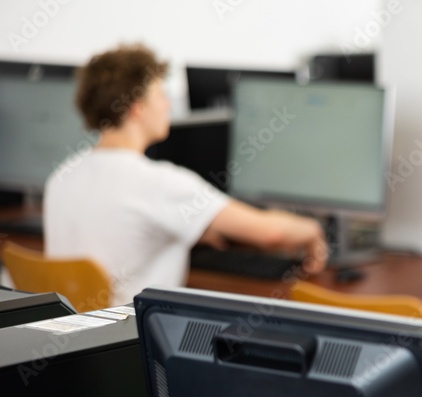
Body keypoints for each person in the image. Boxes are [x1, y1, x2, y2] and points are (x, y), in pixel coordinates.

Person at [44, 44, 329, 307]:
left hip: (81, 348)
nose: (167, 104)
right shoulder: (159, 182)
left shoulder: (61, 177)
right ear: (137, 108)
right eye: (160, 94)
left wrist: (196, 229)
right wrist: (312, 230)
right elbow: (271, 233)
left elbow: (114, 228)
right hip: (132, 344)